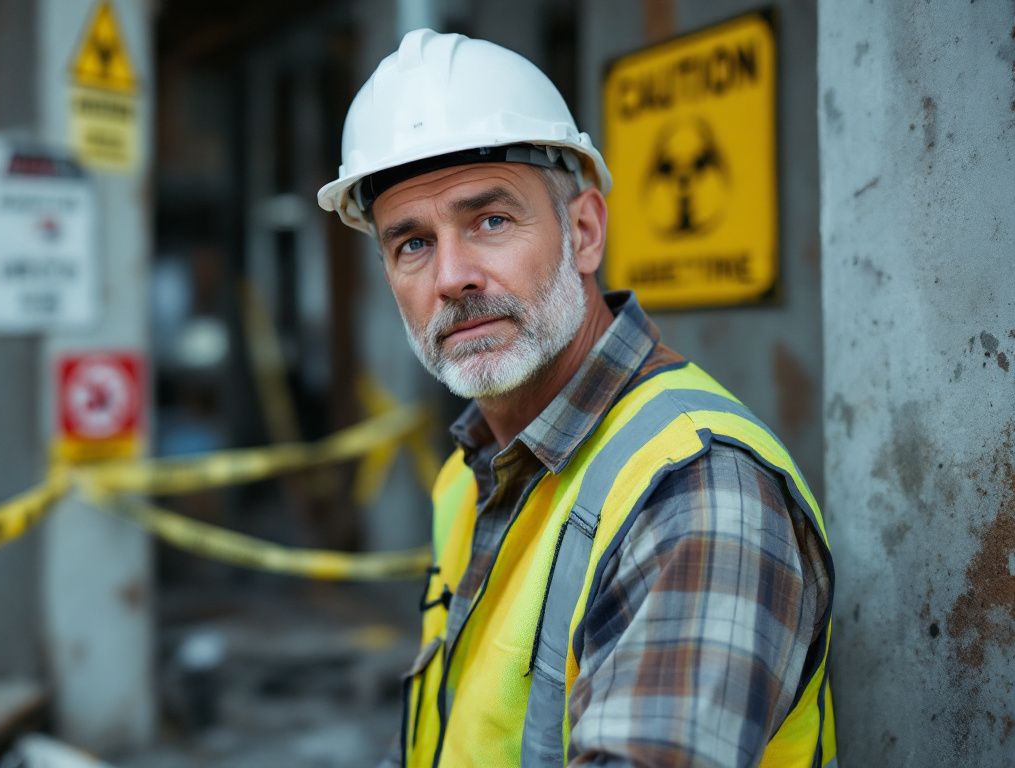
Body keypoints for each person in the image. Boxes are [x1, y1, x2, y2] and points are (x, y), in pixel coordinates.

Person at [316, 29, 835, 767]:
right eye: (413, 244)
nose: (452, 277)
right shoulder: (470, 477)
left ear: (584, 231)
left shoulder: (696, 495)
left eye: (490, 220)